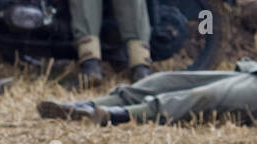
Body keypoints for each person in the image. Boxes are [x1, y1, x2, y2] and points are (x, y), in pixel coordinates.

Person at [37, 59, 257, 126]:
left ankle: (111, 115)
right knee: (164, 80)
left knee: (203, 97)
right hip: (251, 71)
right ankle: (83, 106)